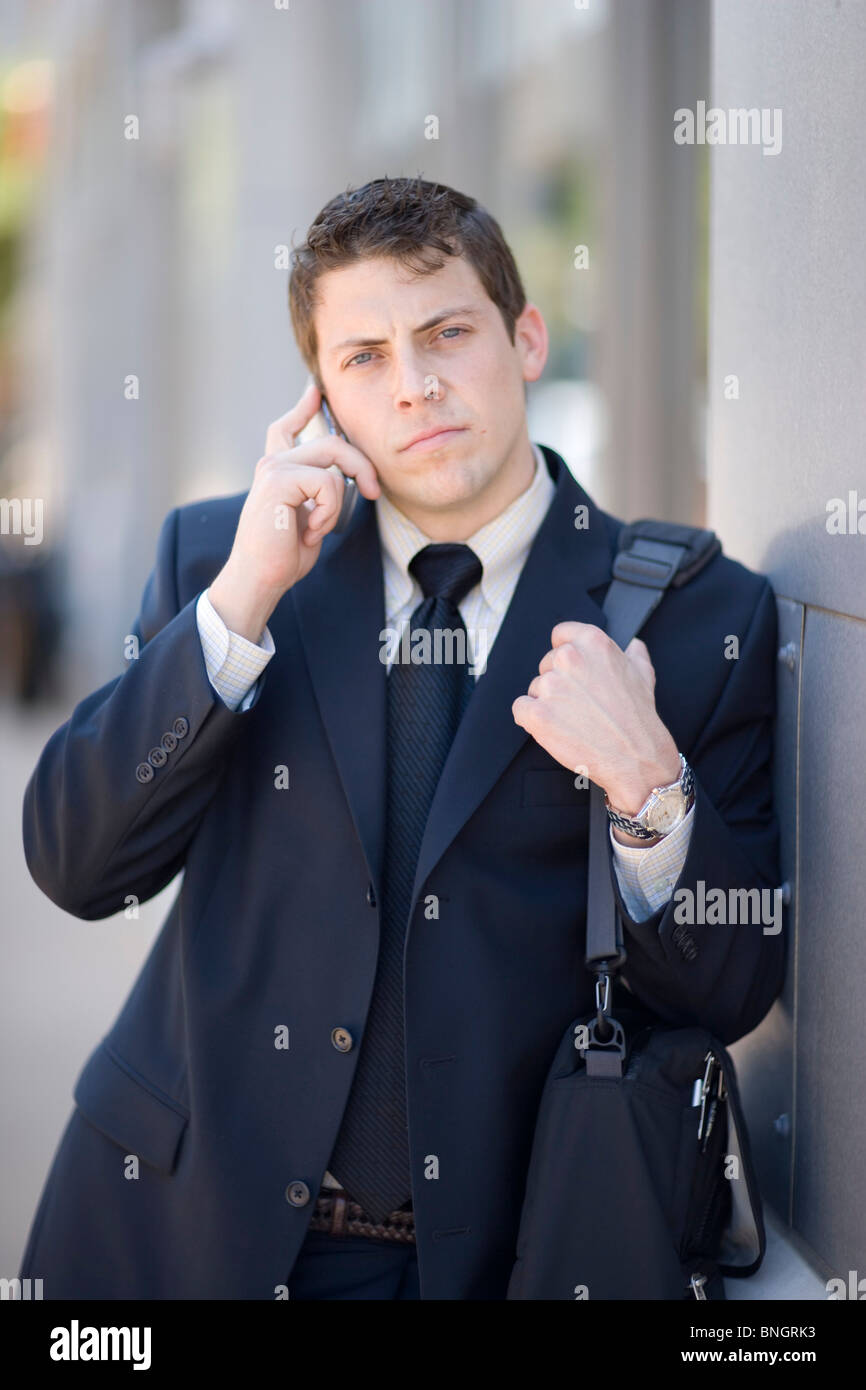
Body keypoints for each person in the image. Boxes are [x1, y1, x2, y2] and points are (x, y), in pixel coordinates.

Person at [19, 176, 784, 1300]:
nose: (415, 385)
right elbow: (76, 863)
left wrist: (644, 781)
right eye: (363, 356)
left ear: (523, 338)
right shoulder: (223, 565)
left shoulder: (701, 616)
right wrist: (237, 609)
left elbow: (733, 987)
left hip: (491, 1261)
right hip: (178, 1234)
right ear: (322, 396)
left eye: (445, 333)